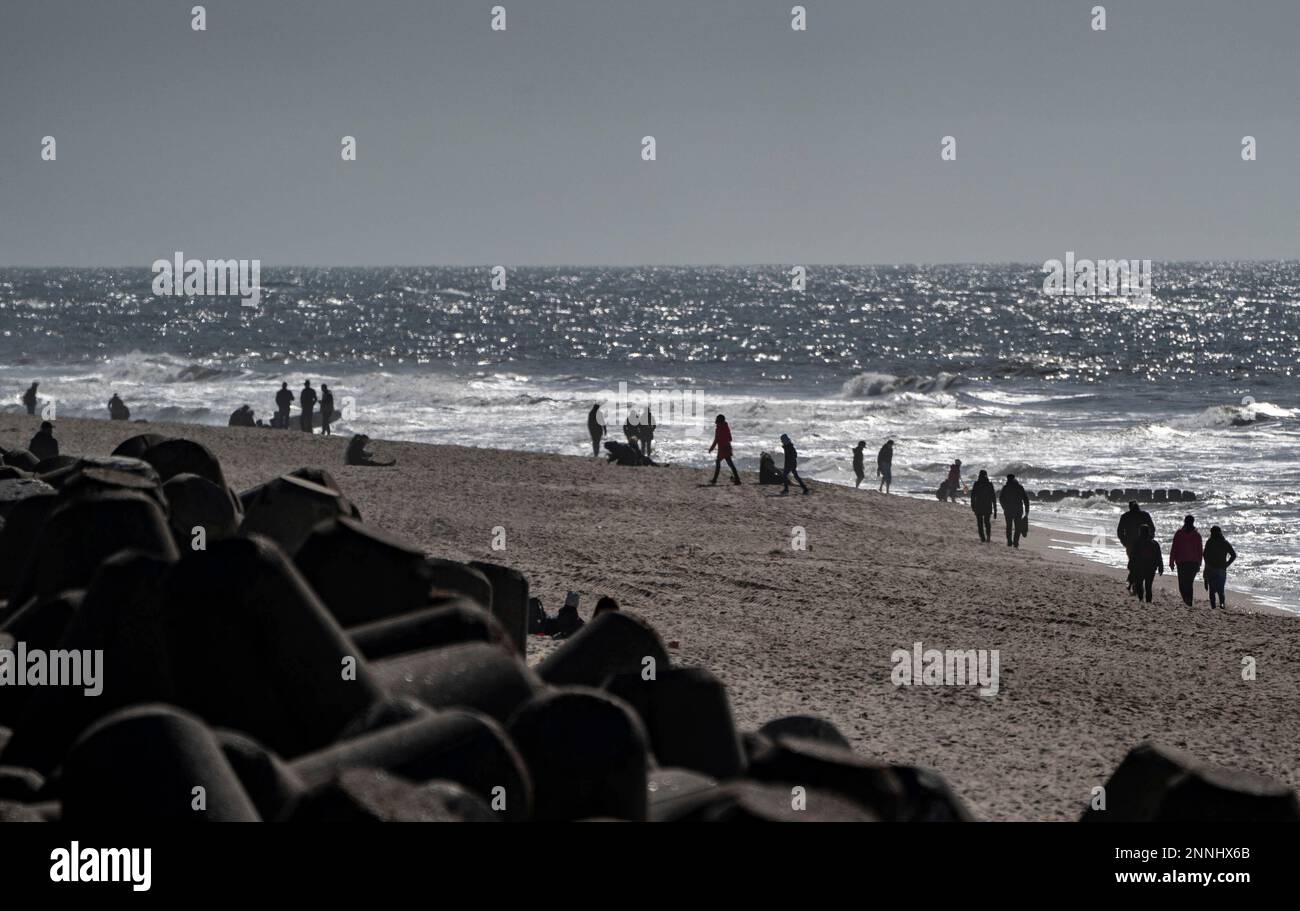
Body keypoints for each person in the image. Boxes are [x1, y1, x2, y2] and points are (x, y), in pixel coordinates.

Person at [1116, 502, 1156, 593]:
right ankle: (1133, 583)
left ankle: (1132, 582)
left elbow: (1120, 532)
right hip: (1143, 544)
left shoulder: (1125, 516)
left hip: (1130, 544)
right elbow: (1152, 529)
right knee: (1140, 564)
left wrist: (1124, 542)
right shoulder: (1145, 515)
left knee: (1133, 564)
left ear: (1130, 507)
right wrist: (1149, 539)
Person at [1170, 515, 1204, 607]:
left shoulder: (1197, 535)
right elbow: (1174, 548)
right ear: (1185, 522)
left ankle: (1189, 603)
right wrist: (1171, 561)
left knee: (1188, 583)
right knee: (1182, 585)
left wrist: (1199, 563)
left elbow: (1200, 550)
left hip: (1192, 563)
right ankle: (1186, 601)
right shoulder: (1179, 533)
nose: (1188, 524)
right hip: (1181, 562)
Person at [1202, 526, 1238, 610]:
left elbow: (1204, 555)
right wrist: (1227, 564)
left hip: (1211, 568)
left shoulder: (1210, 542)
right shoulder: (1224, 542)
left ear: (1211, 533)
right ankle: (1222, 604)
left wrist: (1207, 564)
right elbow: (1234, 555)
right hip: (1221, 569)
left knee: (1212, 591)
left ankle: (1213, 607)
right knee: (1220, 590)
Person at [1128, 525, 1164, 603]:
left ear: (1140, 532)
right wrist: (1160, 567)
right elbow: (1159, 557)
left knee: (1139, 584)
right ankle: (1148, 601)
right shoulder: (1154, 543)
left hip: (1139, 567)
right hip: (1151, 568)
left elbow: (1132, 556)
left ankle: (1141, 599)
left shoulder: (1137, 543)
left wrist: (1130, 566)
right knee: (1148, 586)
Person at [998, 473, 1030, 548]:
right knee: (1017, 527)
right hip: (1018, 510)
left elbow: (1001, 499)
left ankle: (1009, 542)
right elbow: (1026, 499)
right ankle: (1016, 543)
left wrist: (1004, 507)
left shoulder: (1005, 487)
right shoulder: (1019, 487)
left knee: (1009, 527)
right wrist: (1027, 510)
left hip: (1008, 510)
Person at [708, 414, 741, 486]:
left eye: (717, 420)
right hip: (725, 448)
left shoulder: (721, 428)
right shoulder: (724, 427)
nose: (716, 421)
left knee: (722, 463)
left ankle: (715, 480)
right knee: (729, 464)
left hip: (724, 449)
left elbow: (717, 440)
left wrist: (711, 448)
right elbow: (728, 438)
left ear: (719, 421)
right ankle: (737, 479)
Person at [970, 469, 997, 543]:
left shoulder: (977, 484)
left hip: (978, 506)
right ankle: (988, 536)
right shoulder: (989, 484)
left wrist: (972, 505)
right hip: (988, 506)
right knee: (987, 522)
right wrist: (995, 510)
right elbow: (993, 497)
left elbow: (972, 496)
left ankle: (982, 538)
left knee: (980, 523)